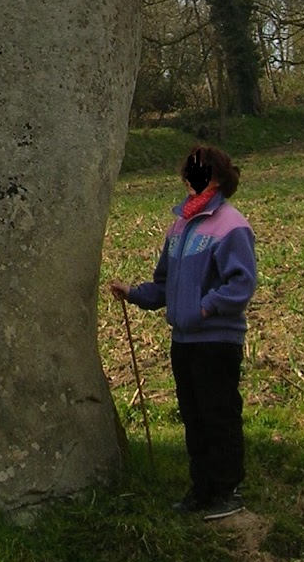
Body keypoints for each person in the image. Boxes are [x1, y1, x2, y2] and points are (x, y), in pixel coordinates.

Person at [109, 144, 256, 519]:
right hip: (184, 340)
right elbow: (165, 282)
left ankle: (227, 490)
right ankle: (202, 489)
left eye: (200, 171)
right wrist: (135, 294)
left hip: (217, 339)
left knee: (218, 414)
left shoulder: (231, 225)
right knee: (193, 415)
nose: (191, 178)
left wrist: (204, 308)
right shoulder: (179, 227)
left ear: (218, 177)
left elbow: (241, 284)